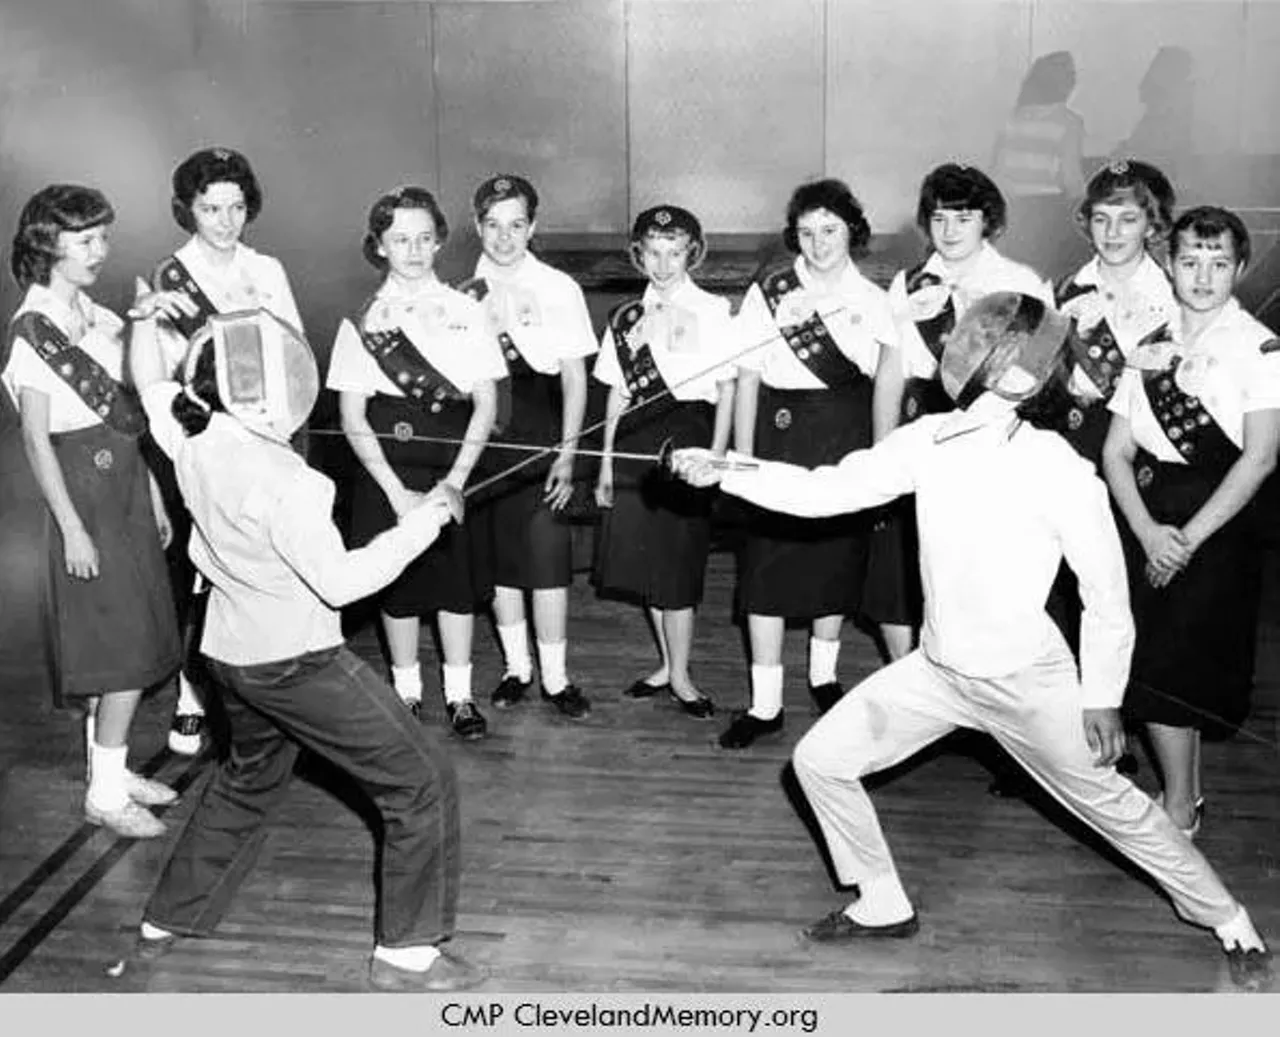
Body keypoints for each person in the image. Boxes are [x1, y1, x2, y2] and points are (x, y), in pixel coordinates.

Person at [670, 290, 1272, 992]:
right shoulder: (928, 439)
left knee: (1120, 811)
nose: (997, 370)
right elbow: (825, 489)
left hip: (1029, 682)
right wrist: (732, 470)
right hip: (938, 669)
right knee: (820, 761)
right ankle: (881, 900)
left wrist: (1102, 698)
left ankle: (1231, 920)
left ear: (1029, 378)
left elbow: (1107, 597)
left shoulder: (1061, 468)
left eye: (1015, 362)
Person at [121, 300, 483, 992]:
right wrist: (427, 520)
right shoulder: (291, 481)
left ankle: (168, 918)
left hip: (226, 657)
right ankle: (407, 956)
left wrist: (142, 320)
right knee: (422, 779)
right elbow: (343, 582)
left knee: (249, 777)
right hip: (293, 663)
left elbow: (150, 385)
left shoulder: (191, 437)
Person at [1, 184, 182, 839]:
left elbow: (127, 415)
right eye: (86, 240)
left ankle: (111, 766)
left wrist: (154, 490)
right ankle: (104, 796)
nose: (101, 250)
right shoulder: (34, 333)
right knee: (121, 651)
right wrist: (74, 527)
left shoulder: (95, 312)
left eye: (104, 236)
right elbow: (34, 440)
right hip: (84, 494)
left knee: (128, 639)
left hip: (125, 483)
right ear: (47, 245)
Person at [1102, 206, 1280, 840]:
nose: (1203, 277)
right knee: (1150, 660)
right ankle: (1186, 793)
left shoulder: (1258, 347)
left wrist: (1187, 541)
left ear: (1239, 268)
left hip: (1219, 521)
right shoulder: (1148, 347)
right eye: (1189, 262)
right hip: (1149, 515)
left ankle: (1179, 803)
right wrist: (1149, 532)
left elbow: (1260, 457)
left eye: (1218, 263)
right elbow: (1115, 452)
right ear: (1169, 266)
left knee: (1179, 664)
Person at [724, 178, 898, 749]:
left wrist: (881, 462)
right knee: (766, 567)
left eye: (830, 231)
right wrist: (744, 461)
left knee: (834, 559)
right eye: (806, 233)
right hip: (778, 432)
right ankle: (764, 703)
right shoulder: (768, 292)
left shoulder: (875, 301)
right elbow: (748, 377)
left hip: (843, 434)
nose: (819, 244)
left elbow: (884, 390)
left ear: (853, 231)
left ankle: (823, 675)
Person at [327, 186, 503, 740]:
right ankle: (406, 691)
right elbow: (353, 414)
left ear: (440, 242)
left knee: (454, 585)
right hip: (387, 466)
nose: (413, 250)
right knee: (396, 585)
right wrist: (394, 492)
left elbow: (486, 402)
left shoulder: (466, 309)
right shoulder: (362, 321)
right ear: (378, 246)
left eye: (425, 238)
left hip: (451, 462)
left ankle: (459, 695)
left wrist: (456, 480)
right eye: (400, 239)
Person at [150, 146, 306, 758]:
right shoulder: (169, 277)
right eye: (210, 207)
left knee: (263, 568)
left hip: (264, 438)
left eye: (236, 206)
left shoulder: (266, 269)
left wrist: (282, 436)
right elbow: (165, 375)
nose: (224, 219)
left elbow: (291, 355)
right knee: (203, 574)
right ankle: (193, 695)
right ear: (186, 209)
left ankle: (263, 699)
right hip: (202, 443)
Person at [865, 163, 1051, 664]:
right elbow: (890, 371)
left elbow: (1034, 379)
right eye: (940, 218)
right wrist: (884, 453)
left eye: (963, 219)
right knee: (903, 568)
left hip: (988, 431)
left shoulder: (1019, 281)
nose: (949, 231)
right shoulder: (910, 283)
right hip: (921, 422)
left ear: (987, 222)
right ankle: (909, 676)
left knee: (973, 567)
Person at [459, 175, 597, 717]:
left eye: (516, 225)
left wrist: (567, 454)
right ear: (477, 227)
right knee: (500, 563)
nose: (504, 237)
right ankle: (518, 669)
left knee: (545, 558)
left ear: (533, 227)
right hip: (489, 431)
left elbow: (574, 380)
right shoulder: (461, 290)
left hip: (542, 429)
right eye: (492, 225)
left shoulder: (559, 287)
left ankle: (557, 679)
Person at [592, 205, 737, 718]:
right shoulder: (625, 317)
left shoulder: (715, 311)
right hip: (635, 442)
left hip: (688, 439)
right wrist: (606, 462)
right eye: (653, 252)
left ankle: (681, 673)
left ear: (691, 254)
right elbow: (615, 393)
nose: (664, 264)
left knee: (677, 565)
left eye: (674, 252)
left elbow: (727, 388)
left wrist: (718, 456)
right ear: (639, 254)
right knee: (649, 563)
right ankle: (665, 664)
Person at [990, 50, 1090, 282]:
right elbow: (1070, 177)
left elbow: (997, 169)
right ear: (1067, 85)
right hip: (1048, 211)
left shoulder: (1011, 118)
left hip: (1012, 210)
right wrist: (1087, 203)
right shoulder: (1068, 121)